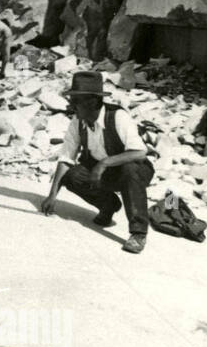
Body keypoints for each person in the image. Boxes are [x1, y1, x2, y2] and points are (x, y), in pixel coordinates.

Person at [39, 70, 155, 254]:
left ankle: (138, 233)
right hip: (102, 172)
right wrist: (52, 195)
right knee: (72, 176)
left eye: (76, 101)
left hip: (133, 170)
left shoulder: (118, 117)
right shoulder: (78, 121)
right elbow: (66, 157)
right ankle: (108, 206)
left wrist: (104, 163)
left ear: (92, 101)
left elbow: (140, 152)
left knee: (130, 170)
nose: (71, 105)